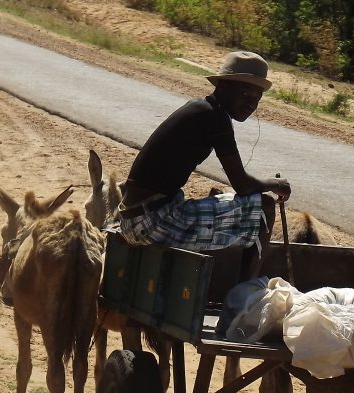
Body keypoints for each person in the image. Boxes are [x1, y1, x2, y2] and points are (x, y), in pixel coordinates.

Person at [116, 51, 290, 281]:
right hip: (153, 221)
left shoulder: (201, 109)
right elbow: (243, 184)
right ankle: (246, 297)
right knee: (264, 207)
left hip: (134, 217)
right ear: (223, 87)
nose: (250, 104)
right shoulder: (214, 117)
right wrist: (277, 184)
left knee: (226, 205)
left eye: (256, 98)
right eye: (244, 93)